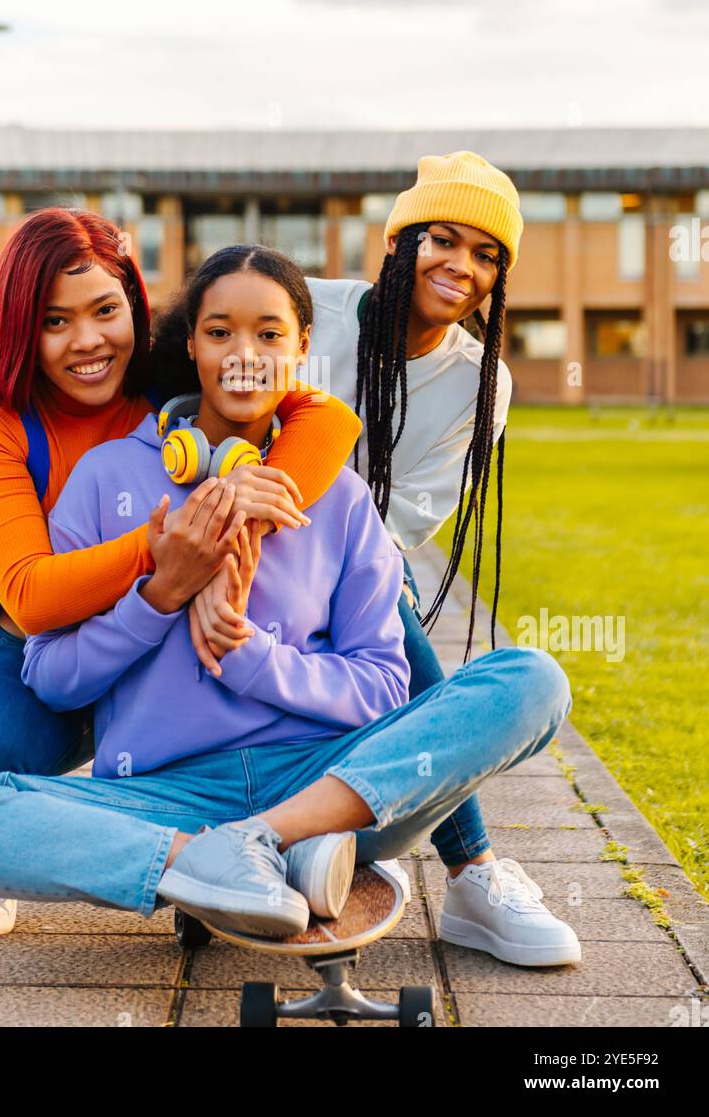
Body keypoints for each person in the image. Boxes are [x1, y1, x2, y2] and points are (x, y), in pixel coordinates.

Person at [0, 244, 580, 967]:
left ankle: (262, 843)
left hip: (325, 781)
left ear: (301, 347)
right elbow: (49, 680)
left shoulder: (341, 497)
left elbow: (385, 689)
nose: (244, 353)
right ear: (190, 343)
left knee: (533, 679)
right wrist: (157, 598)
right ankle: (226, 857)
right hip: (163, 794)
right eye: (221, 331)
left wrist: (251, 660)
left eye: (268, 334)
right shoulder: (106, 480)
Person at [0, 208, 363, 938]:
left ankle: (468, 861)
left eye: (105, 310)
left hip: (166, 632)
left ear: (135, 304)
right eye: (54, 321)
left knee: (392, 605)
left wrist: (239, 507)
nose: (88, 341)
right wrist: (175, 551)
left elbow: (326, 419)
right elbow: (33, 597)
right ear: (20, 329)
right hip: (47, 643)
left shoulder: (166, 375)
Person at [189, 153, 579, 966]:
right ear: (399, 242)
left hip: (358, 558)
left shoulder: (480, 383)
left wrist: (340, 567)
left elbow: (402, 521)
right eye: (443, 239)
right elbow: (208, 396)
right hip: (222, 533)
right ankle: (463, 862)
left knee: (399, 625)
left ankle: (467, 881)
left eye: (486, 255)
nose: (460, 267)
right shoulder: (311, 311)